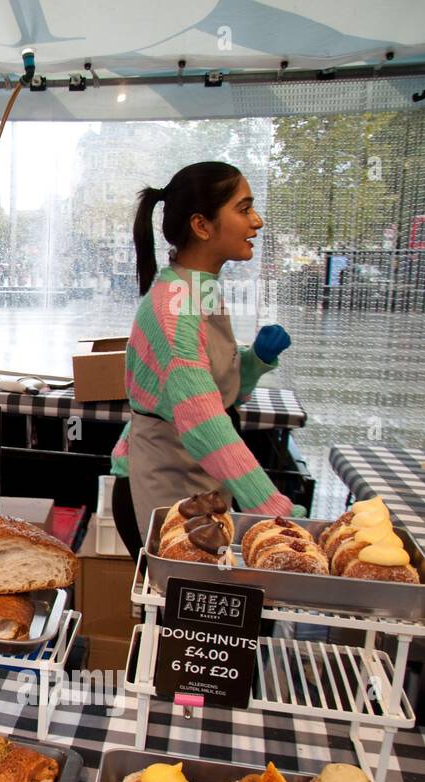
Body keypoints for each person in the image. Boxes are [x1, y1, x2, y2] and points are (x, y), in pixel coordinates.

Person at [109, 161, 297, 561]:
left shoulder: (200, 289)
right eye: (244, 209)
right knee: (173, 618)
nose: (257, 221)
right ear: (202, 226)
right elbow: (203, 422)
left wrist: (255, 361)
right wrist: (273, 511)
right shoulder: (173, 307)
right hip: (165, 486)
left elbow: (220, 390)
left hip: (199, 481)